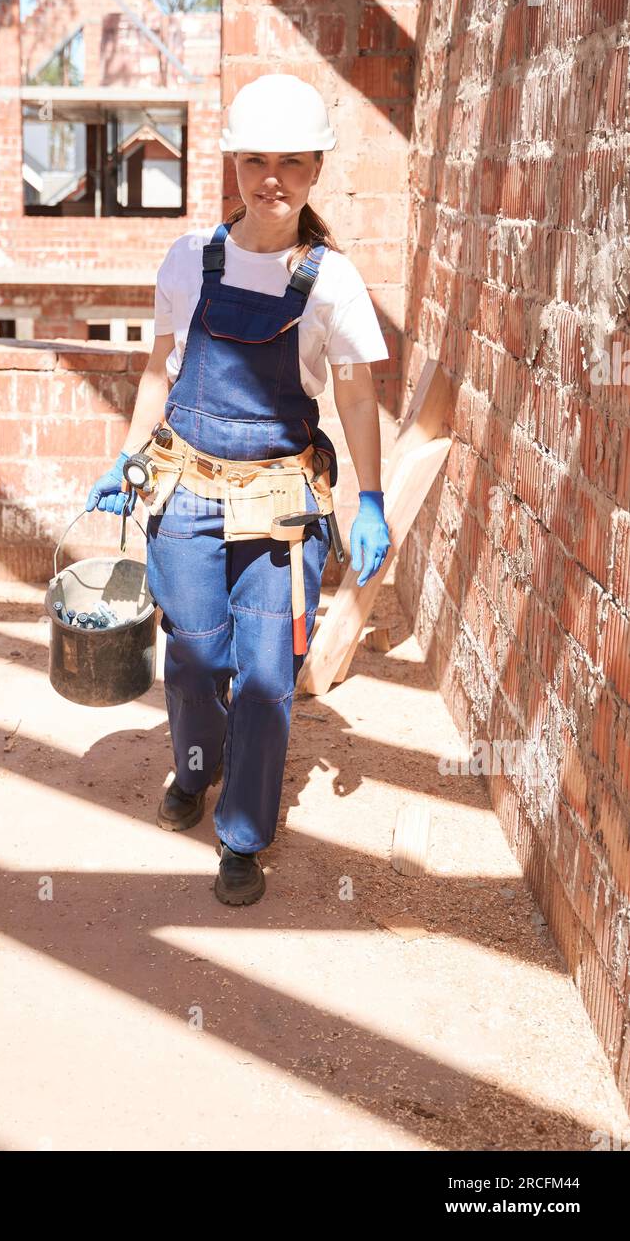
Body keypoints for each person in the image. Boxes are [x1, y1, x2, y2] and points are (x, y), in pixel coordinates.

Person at [85, 74, 391, 907]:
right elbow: (160, 367)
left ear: (317, 169)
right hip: (185, 489)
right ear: (232, 160)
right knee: (192, 656)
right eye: (256, 159)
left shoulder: (332, 282)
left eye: (292, 162)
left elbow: (357, 397)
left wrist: (369, 499)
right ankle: (196, 766)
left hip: (281, 505)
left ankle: (244, 833)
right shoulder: (192, 260)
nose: (272, 179)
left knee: (263, 675)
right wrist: (127, 454)